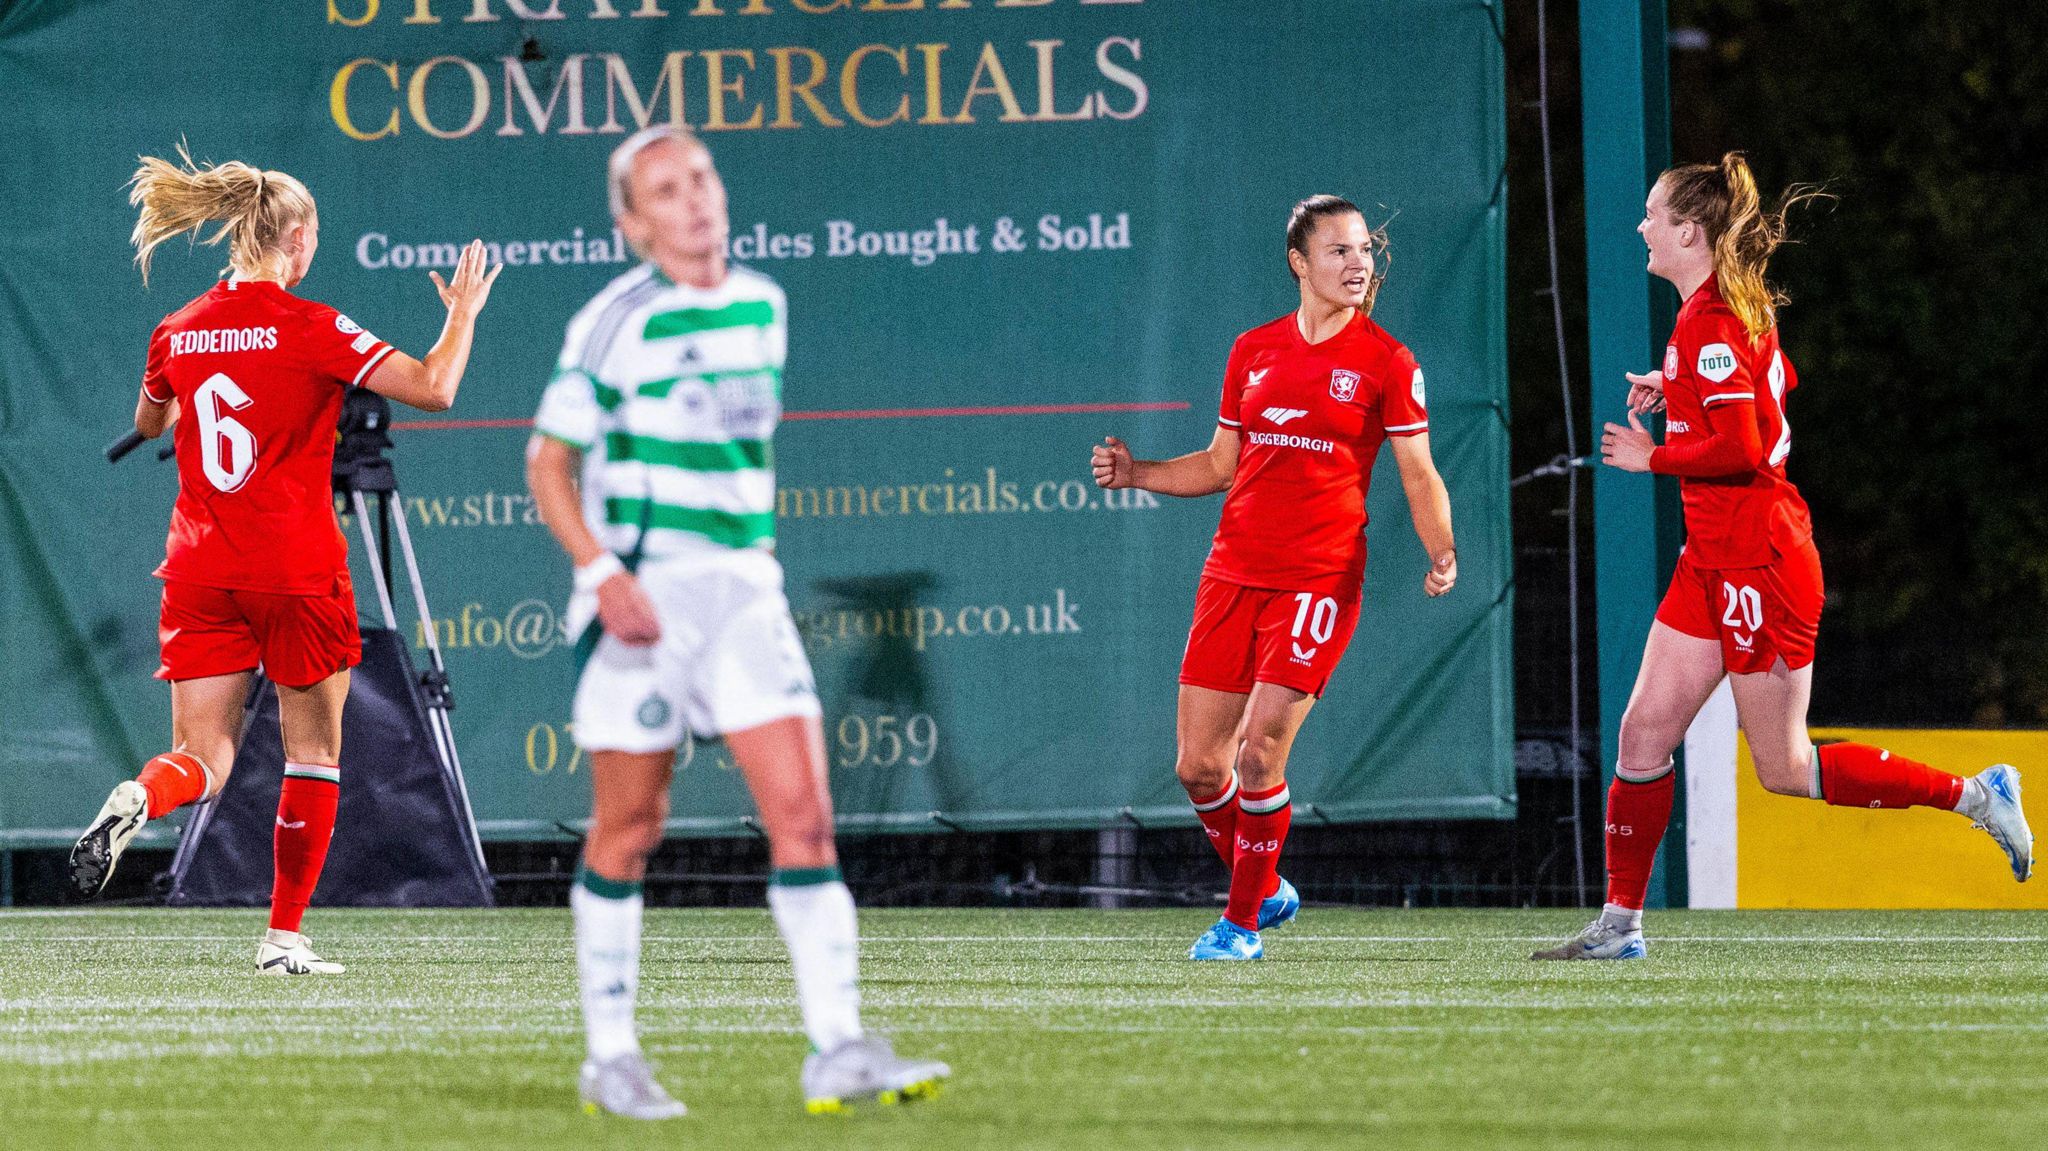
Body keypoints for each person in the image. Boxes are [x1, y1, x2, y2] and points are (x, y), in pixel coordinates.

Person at [525, 125, 949, 1120]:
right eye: (665, 191)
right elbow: (547, 462)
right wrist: (601, 572)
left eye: (700, 178)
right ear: (633, 224)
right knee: (631, 826)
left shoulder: (765, 302)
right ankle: (610, 1053)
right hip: (642, 595)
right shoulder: (611, 320)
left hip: (744, 593)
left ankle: (838, 1047)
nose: (694, 200)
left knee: (803, 816)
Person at [1534, 153, 2032, 962]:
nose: (1642, 226)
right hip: (1713, 558)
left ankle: (1978, 795)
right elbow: (1776, 381)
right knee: (1642, 735)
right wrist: (1676, 385)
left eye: (1654, 214)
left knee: (1787, 768)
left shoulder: (1711, 321)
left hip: (1761, 561)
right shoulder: (1720, 311)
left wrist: (1651, 455)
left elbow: (1750, 440)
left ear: (1689, 232)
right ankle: (1618, 929)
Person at [67, 146, 500, 975]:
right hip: (295, 572)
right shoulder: (315, 326)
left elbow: (150, 422)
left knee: (204, 758)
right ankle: (282, 938)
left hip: (199, 570)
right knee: (313, 755)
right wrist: (462, 313)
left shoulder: (179, 327)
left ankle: (143, 795)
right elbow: (435, 386)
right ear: (295, 240)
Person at [1092, 195, 1459, 961]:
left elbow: (1419, 473)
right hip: (1232, 574)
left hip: (1319, 581)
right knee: (1198, 768)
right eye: (1338, 251)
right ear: (1299, 262)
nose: (1358, 264)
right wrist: (1139, 473)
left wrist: (1442, 549)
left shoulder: (1387, 362)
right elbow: (1221, 465)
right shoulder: (1252, 350)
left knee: (1261, 753)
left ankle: (1241, 925)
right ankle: (1265, 885)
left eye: (1364, 251)